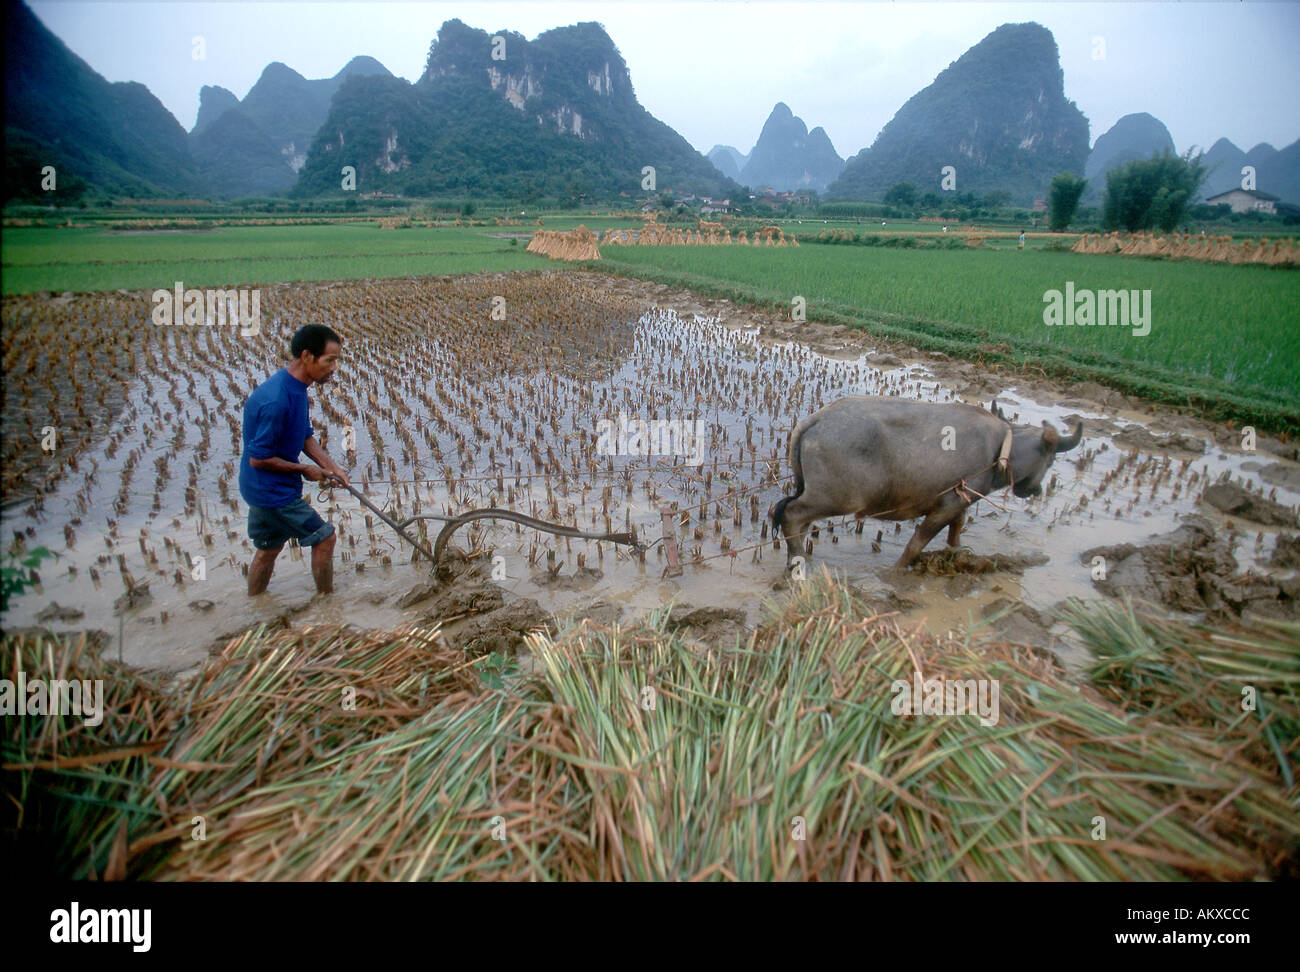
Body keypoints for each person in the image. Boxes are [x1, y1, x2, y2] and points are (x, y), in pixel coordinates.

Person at [239, 324, 350, 596]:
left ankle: (255, 604)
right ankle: (327, 603)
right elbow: (259, 458)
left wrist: (331, 466)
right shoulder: (277, 400)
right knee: (325, 537)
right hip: (271, 492)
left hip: (260, 487)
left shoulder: (296, 387)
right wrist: (306, 470)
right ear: (307, 356)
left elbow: (304, 437)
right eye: (330, 360)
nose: (334, 367)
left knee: (268, 549)